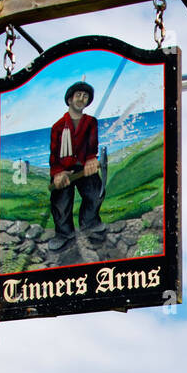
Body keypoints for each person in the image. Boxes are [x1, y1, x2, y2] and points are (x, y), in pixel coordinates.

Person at [49, 82, 106, 250]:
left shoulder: (90, 122)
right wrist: (58, 173)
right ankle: (64, 234)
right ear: (70, 99)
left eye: (85, 96)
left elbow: (92, 145)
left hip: (83, 167)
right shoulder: (58, 127)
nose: (82, 99)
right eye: (78, 95)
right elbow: (54, 154)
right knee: (60, 202)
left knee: (96, 192)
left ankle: (90, 224)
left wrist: (91, 160)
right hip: (64, 168)